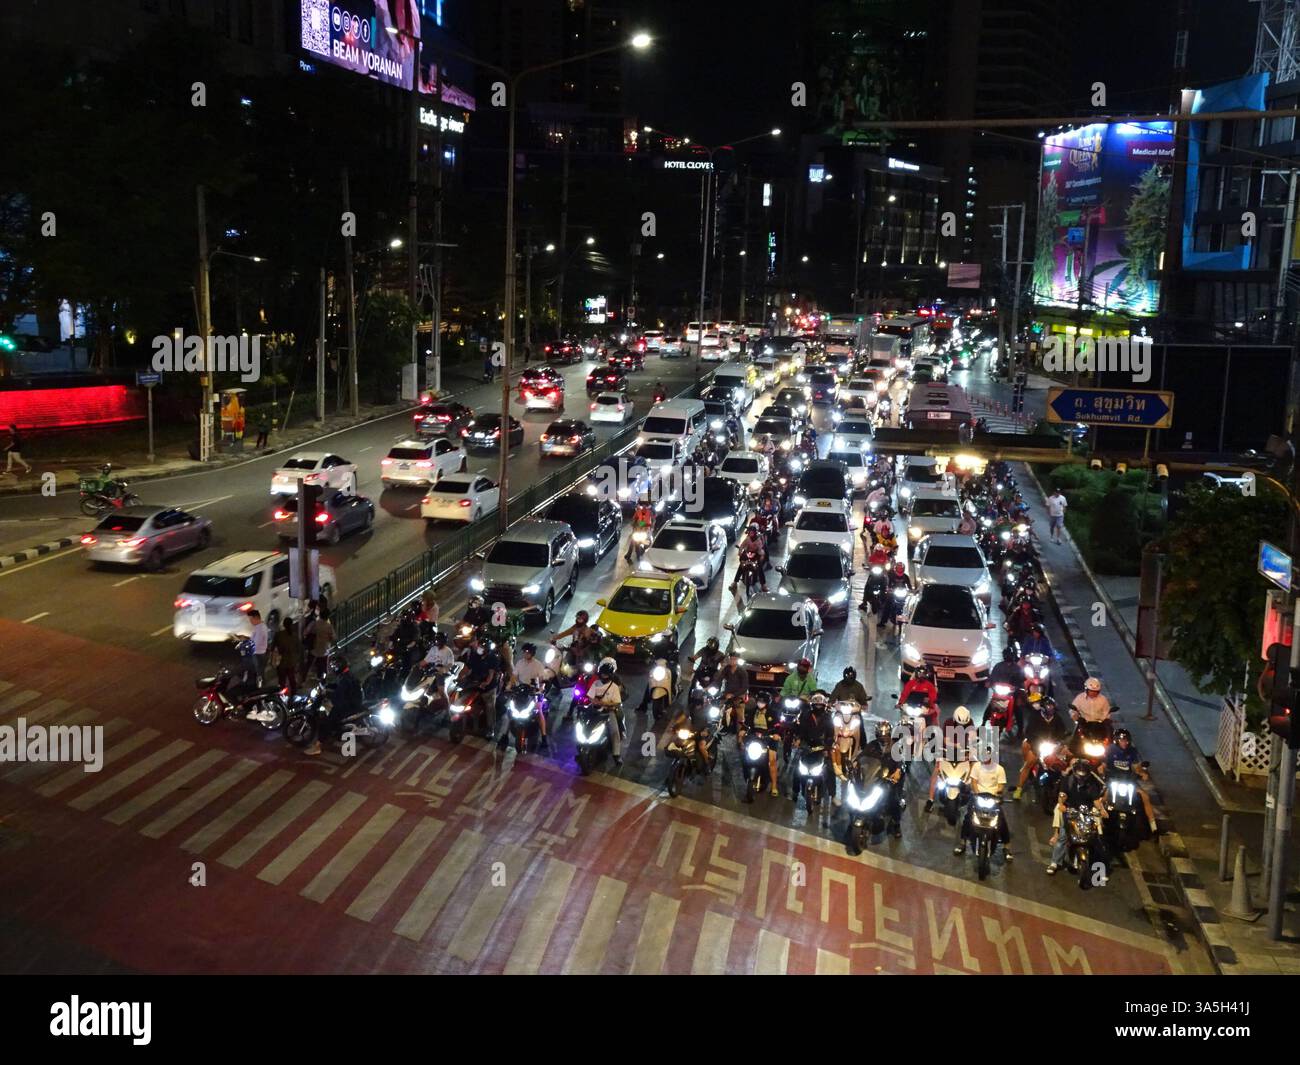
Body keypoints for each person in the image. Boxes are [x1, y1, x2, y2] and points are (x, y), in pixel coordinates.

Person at [1046, 759, 1107, 874]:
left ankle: (1100, 870)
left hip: (1086, 812)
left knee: (1097, 839)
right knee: (1063, 836)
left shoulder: (1092, 784)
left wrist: (1102, 810)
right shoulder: (1068, 781)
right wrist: (1061, 804)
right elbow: (1062, 795)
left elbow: (1095, 800)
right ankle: (1054, 862)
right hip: (1071, 811)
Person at [303, 657, 364, 757]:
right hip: (349, 702)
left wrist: (326, 693)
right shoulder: (345, 675)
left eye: (334, 667)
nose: (333, 669)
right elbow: (338, 686)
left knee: (326, 723)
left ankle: (317, 747)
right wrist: (328, 686)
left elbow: (338, 694)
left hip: (347, 705)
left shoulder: (345, 679)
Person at [1013, 693, 1071, 798]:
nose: (1050, 711)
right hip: (1038, 746)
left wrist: (1061, 742)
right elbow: (1029, 733)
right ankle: (1019, 788)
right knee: (1028, 764)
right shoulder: (1034, 717)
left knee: (1066, 762)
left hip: (1053, 747)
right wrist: (1035, 744)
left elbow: (1062, 733)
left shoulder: (1057, 719)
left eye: (1052, 709)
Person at [958, 756, 1012, 859]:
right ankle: (962, 843)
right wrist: (977, 793)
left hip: (993, 798)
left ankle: (1007, 847)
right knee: (968, 818)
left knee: (1001, 820)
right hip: (978, 796)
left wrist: (997, 793)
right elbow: (973, 782)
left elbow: (1001, 785)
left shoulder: (999, 769)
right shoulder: (977, 766)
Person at [1105, 728, 1157, 835]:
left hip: (1128, 781)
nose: (1125, 742)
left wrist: (1142, 773)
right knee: (1101, 797)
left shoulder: (1132, 751)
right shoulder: (1110, 750)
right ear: (1116, 740)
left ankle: (1153, 826)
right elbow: (1103, 764)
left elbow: (1136, 767)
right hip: (1112, 780)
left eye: (1126, 740)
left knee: (1145, 797)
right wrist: (1102, 770)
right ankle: (1099, 825)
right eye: (1122, 740)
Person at [499, 642, 550, 750]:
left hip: (534, 691)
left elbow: (541, 680)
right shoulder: (520, 663)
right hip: (521, 690)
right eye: (524, 652)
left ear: (532, 653)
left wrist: (540, 689)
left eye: (527, 652)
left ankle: (544, 737)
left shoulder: (538, 665)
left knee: (539, 710)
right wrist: (509, 686)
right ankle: (504, 736)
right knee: (509, 711)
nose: (525, 654)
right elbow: (514, 676)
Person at [863, 720, 906, 838]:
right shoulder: (872, 745)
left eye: (886, 734)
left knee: (894, 800)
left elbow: (899, 762)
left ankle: (896, 824)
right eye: (881, 734)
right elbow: (862, 757)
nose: (883, 737)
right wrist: (856, 765)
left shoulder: (895, 747)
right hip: (874, 778)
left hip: (890, 779)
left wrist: (897, 771)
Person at [740, 690, 782, 797]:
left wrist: (776, 734)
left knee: (771, 761)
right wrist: (743, 730)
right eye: (759, 701)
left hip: (769, 739)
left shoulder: (773, 713)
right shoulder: (753, 711)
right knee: (745, 754)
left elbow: (778, 726)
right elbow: (747, 723)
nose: (760, 703)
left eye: (762, 702)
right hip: (755, 738)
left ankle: (774, 786)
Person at [462, 634, 503, 738]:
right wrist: (460, 677)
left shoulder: (492, 658)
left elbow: (491, 674)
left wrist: (486, 683)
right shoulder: (474, 655)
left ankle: (490, 729)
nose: (479, 648)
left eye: (482, 647)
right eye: (479, 646)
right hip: (474, 683)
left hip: (488, 687)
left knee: (489, 706)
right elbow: (467, 668)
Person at [588, 657, 626, 767]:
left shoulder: (614, 687)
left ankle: (616, 754)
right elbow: (590, 696)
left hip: (609, 713)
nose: (604, 676)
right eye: (602, 674)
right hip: (595, 711)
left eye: (606, 674)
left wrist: (604, 704)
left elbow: (617, 703)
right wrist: (593, 701)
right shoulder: (596, 683)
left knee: (614, 732)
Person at [718, 651, 749, 732]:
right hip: (727, 693)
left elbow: (745, 687)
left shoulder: (742, 671)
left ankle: (740, 734)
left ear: (738, 660)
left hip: (739, 695)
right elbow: (720, 678)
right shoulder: (727, 668)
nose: (732, 661)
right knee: (719, 708)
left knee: (740, 715)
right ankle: (718, 726)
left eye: (734, 659)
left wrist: (733, 695)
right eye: (731, 659)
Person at [272, 619, 302, 695]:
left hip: (281, 662)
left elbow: (273, 647)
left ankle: (282, 696)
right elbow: (299, 649)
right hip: (291, 662)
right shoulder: (294, 636)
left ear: (284, 625)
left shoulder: (278, 635)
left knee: (282, 681)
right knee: (292, 679)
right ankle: (294, 694)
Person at [308, 607, 335, 680]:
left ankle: (313, 676)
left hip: (314, 648)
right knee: (323, 665)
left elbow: (306, 632)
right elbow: (333, 637)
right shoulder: (329, 626)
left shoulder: (315, 623)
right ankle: (322, 679)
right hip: (324, 649)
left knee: (312, 663)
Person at [247, 610, 269, 681]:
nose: (250, 621)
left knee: (258, 670)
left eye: (251, 619)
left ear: (256, 617)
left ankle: (260, 685)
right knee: (260, 670)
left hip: (258, 653)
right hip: (259, 652)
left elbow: (257, 643)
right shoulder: (259, 626)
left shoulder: (260, 628)